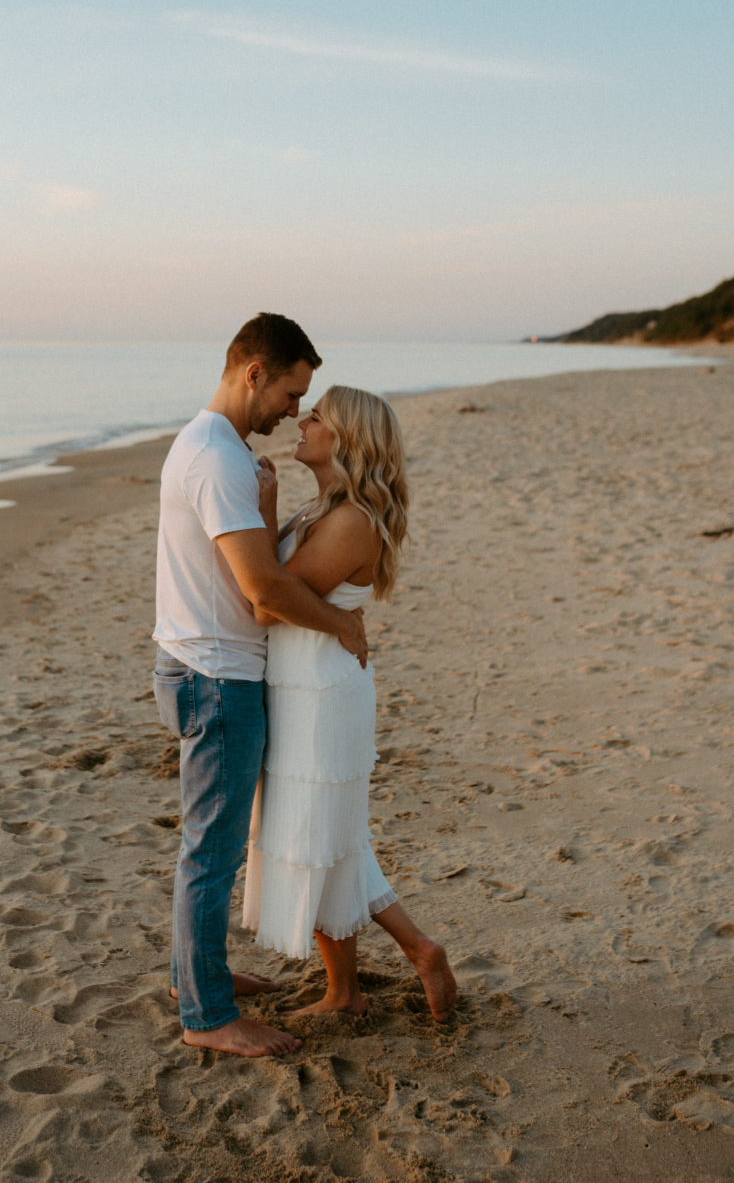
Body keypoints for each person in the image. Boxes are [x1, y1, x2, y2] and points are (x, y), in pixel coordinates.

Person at [153, 314, 370, 1058]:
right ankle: (207, 1016)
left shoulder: (212, 447)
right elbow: (264, 591)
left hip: (201, 664)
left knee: (208, 845)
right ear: (254, 374)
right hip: (217, 676)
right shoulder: (216, 459)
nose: (292, 410)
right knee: (211, 854)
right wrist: (342, 627)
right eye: (290, 392)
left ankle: (197, 977)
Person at [242, 385, 457, 1021]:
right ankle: (395, 964)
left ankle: (357, 986)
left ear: (346, 438)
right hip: (300, 689)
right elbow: (277, 588)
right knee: (331, 841)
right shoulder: (324, 510)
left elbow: (268, 603)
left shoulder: (351, 521)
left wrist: (264, 514)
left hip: (320, 699)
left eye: (316, 417)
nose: (302, 422)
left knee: (318, 838)